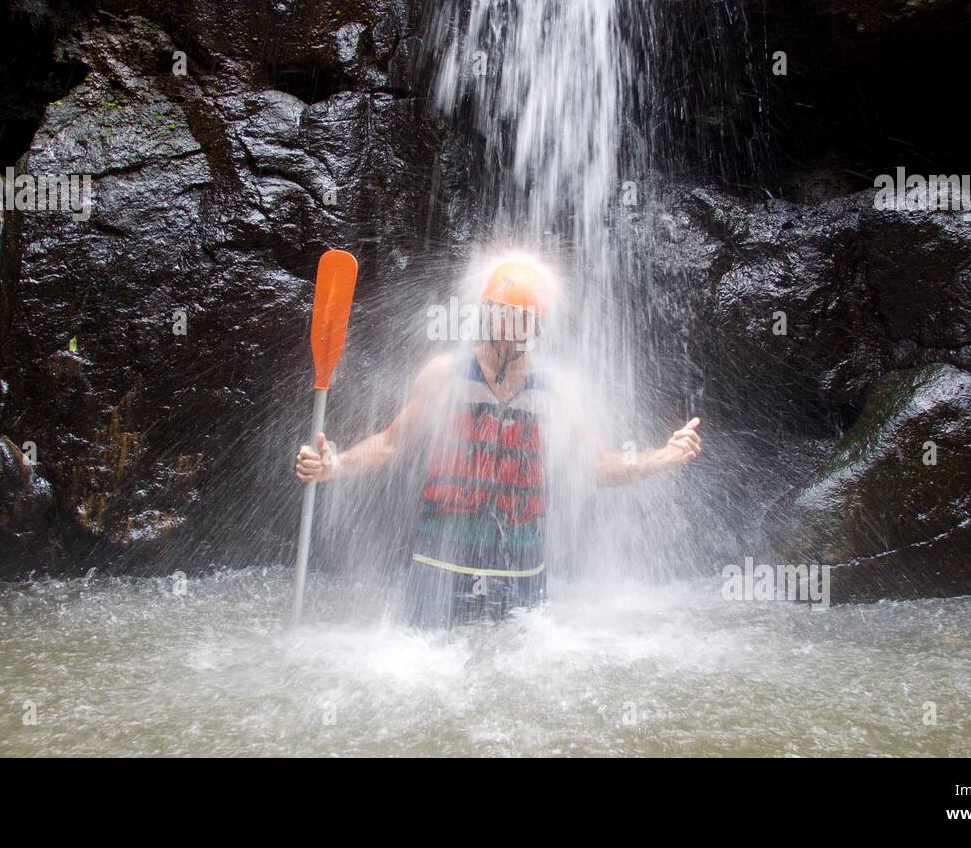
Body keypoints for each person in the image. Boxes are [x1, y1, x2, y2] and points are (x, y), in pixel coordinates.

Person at [295, 258, 702, 628]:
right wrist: (336, 465)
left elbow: (596, 468)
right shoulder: (444, 375)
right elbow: (390, 444)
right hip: (441, 557)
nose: (508, 328)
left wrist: (662, 457)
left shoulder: (555, 392)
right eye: (501, 315)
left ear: (536, 326)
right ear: (485, 315)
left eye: (520, 319)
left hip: (521, 563)